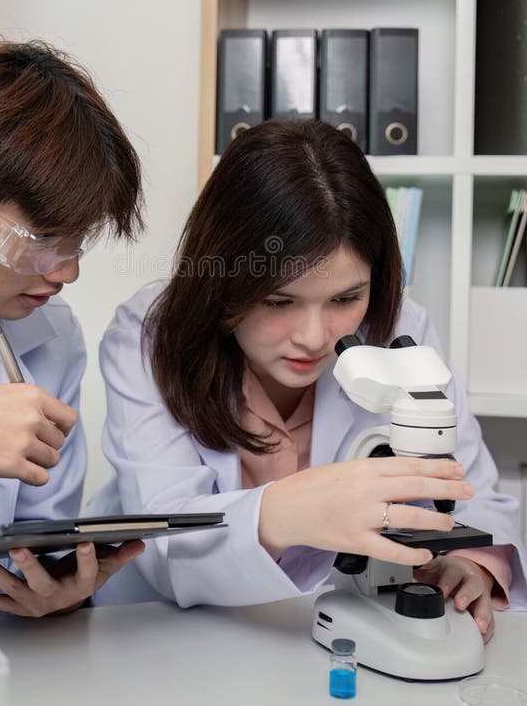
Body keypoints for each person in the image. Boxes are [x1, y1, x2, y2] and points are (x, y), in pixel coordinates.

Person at [97, 119, 527, 636]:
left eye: (345, 299)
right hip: (162, 637)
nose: (314, 337)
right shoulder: (150, 337)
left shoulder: (399, 330)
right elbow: (164, 543)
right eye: (279, 301)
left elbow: (475, 495)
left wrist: (470, 563)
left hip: (331, 640)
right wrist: (286, 513)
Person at [0, 37, 145, 617]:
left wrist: (54, 594)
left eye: (78, 242)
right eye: (42, 241)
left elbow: (31, 538)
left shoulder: (47, 336)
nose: (67, 271)